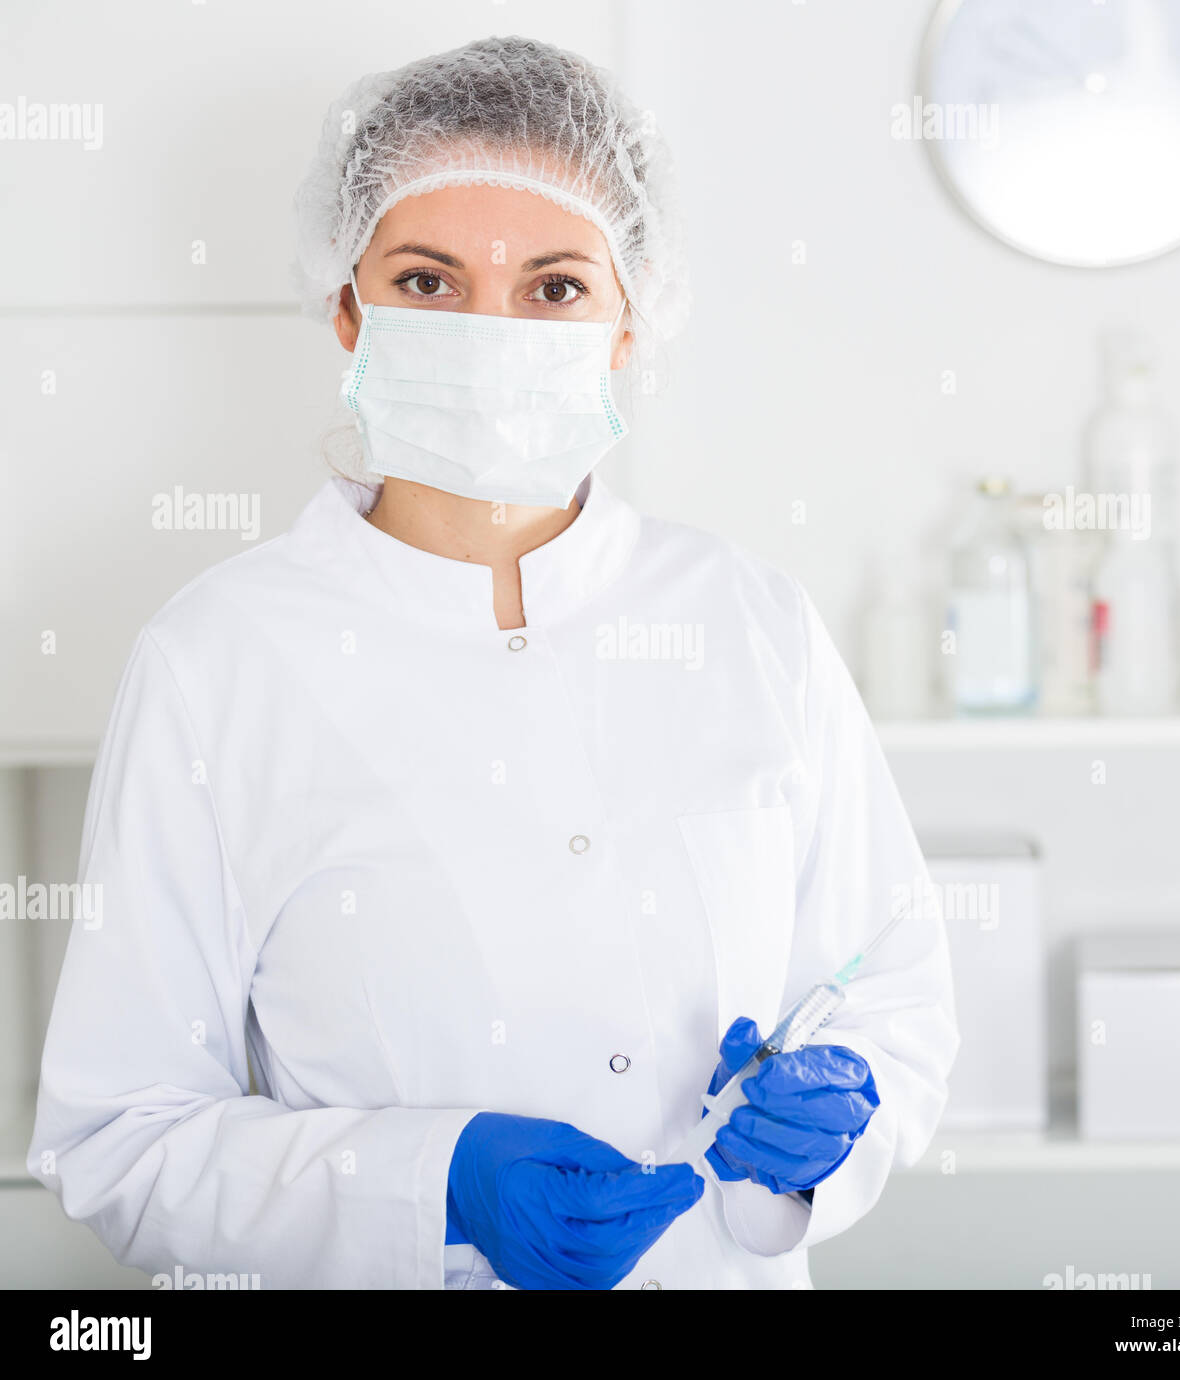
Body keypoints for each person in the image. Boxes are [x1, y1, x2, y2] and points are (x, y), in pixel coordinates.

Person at [28, 34, 958, 1291]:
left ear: (632, 319)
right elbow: (119, 1139)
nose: (492, 332)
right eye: (428, 279)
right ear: (346, 308)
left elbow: (885, 991)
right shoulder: (220, 661)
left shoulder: (752, 623)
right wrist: (434, 1184)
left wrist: (827, 1130)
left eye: (557, 287)